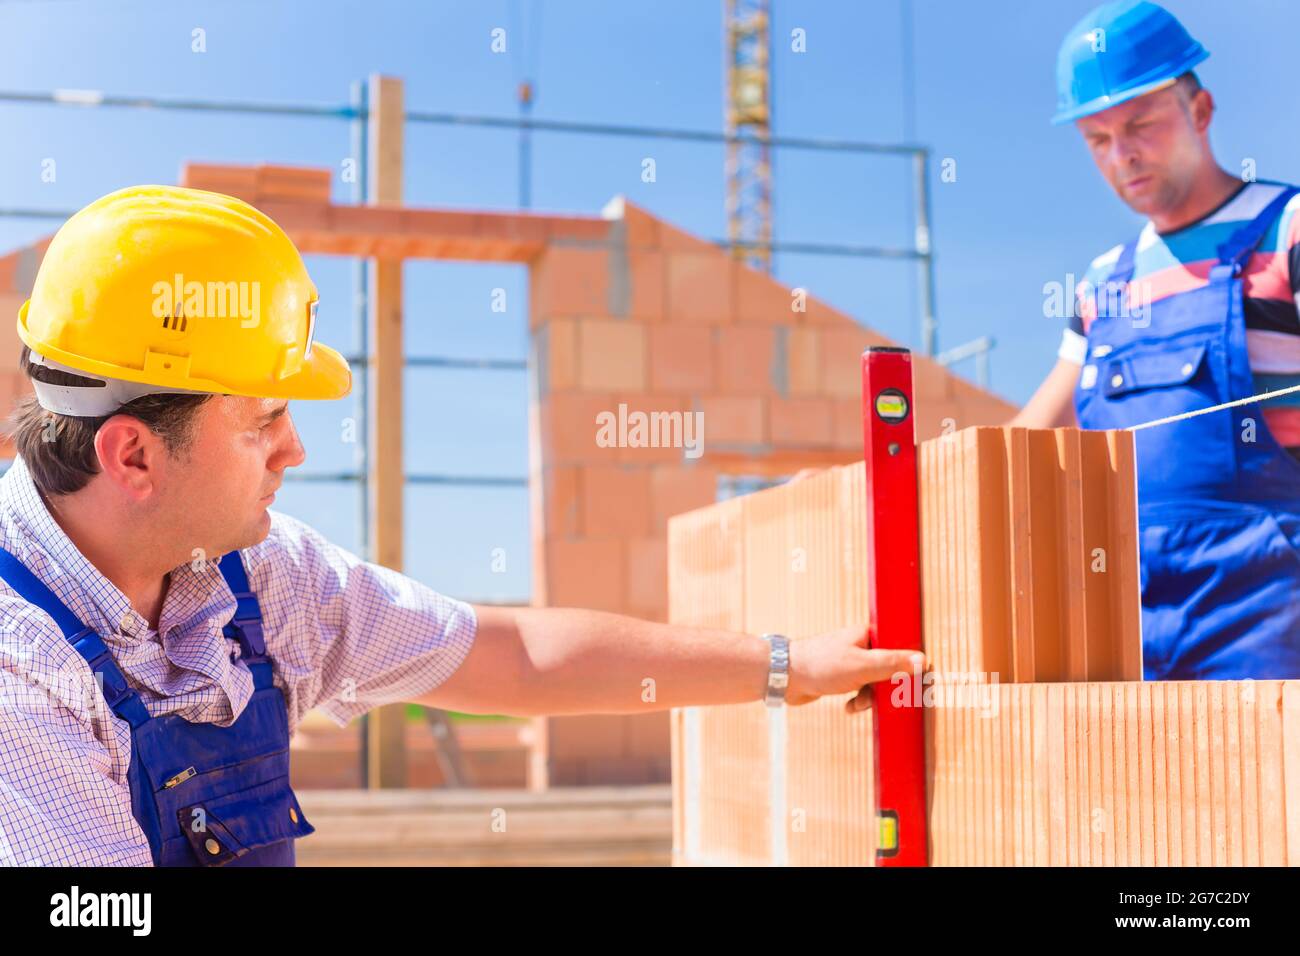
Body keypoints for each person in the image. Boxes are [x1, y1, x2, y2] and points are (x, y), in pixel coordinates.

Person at [0, 184, 922, 866]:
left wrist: (787, 668)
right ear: (132, 458)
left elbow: (515, 656)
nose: (296, 450)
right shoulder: (22, 671)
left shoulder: (257, 578)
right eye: (262, 422)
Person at [1013, 1, 1300, 679]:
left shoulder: (1284, 231)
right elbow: (1028, 439)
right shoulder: (1103, 287)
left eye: (1140, 125)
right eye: (1097, 139)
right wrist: (883, 480)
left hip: (1274, 630)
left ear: (1200, 111)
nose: (1123, 155)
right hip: (1135, 633)